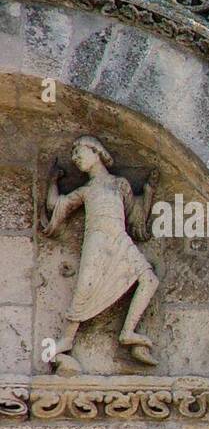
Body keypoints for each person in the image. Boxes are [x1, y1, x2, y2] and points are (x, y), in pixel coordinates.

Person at [42, 135, 159, 371]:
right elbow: (55, 205)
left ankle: (128, 332)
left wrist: (148, 192)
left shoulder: (119, 184)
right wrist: (52, 182)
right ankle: (66, 340)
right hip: (97, 241)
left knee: (149, 279)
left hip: (119, 238)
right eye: (73, 156)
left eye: (80, 153)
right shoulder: (85, 190)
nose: (76, 159)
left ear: (97, 152)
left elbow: (135, 216)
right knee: (85, 288)